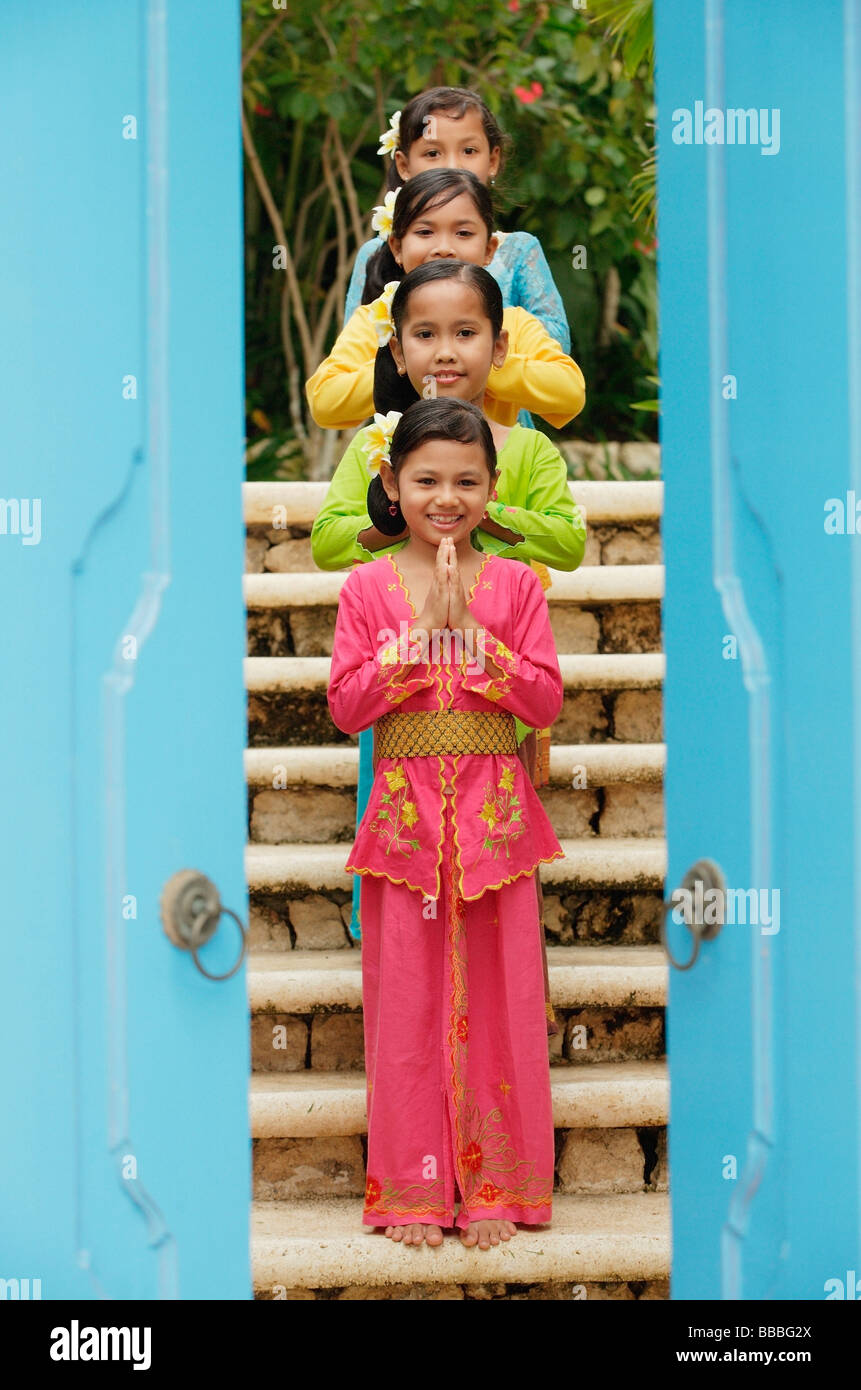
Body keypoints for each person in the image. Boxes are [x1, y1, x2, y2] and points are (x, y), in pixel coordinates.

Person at [327, 396, 565, 1248]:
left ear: (492, 487)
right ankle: (415, 1193)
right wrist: (419, 635)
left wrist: (475, 638)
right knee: (406, 1005)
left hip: (496, 826)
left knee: (505, 999)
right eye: (426, 478)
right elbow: (347, 707)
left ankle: (498, 1189)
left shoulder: (516, 585)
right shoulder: (364, 587)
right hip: (404, 829)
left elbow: (543, 697)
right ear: (392, 482)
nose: (446, 497)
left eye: (467, 481)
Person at [311, 261, 585, 978]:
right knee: (406, 861)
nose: (444, 351)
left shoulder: (524, 460)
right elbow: (325, 543)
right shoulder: (374, 459)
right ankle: (391, 941)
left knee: (493, 874)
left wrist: (486, 522)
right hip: (406, 716)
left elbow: (568, 543)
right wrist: (395, 530)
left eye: (465, 332)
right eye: (424, 334)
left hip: (497, 705)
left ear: (498, 344)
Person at [306, 169, 584, 433]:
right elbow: (325, 403)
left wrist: (483, 363)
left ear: (489, 249)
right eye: (425, 232)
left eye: (463, 233)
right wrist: (407, 365)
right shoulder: (377, 321)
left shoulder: (513, 322)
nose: (444, 248)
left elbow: (569, 394)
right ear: (397, 248)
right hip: (407, 480)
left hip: (493, 477)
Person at [346, 85, 570, 363]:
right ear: (404, 165)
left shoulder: (518, 251)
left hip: (496, 405)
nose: (452, 166)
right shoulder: (376, 253)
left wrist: (481, 332)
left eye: (468, 150)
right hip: (404, 406)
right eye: (432, 153)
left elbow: (557, 345)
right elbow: (351, 358)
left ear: (493, 160)